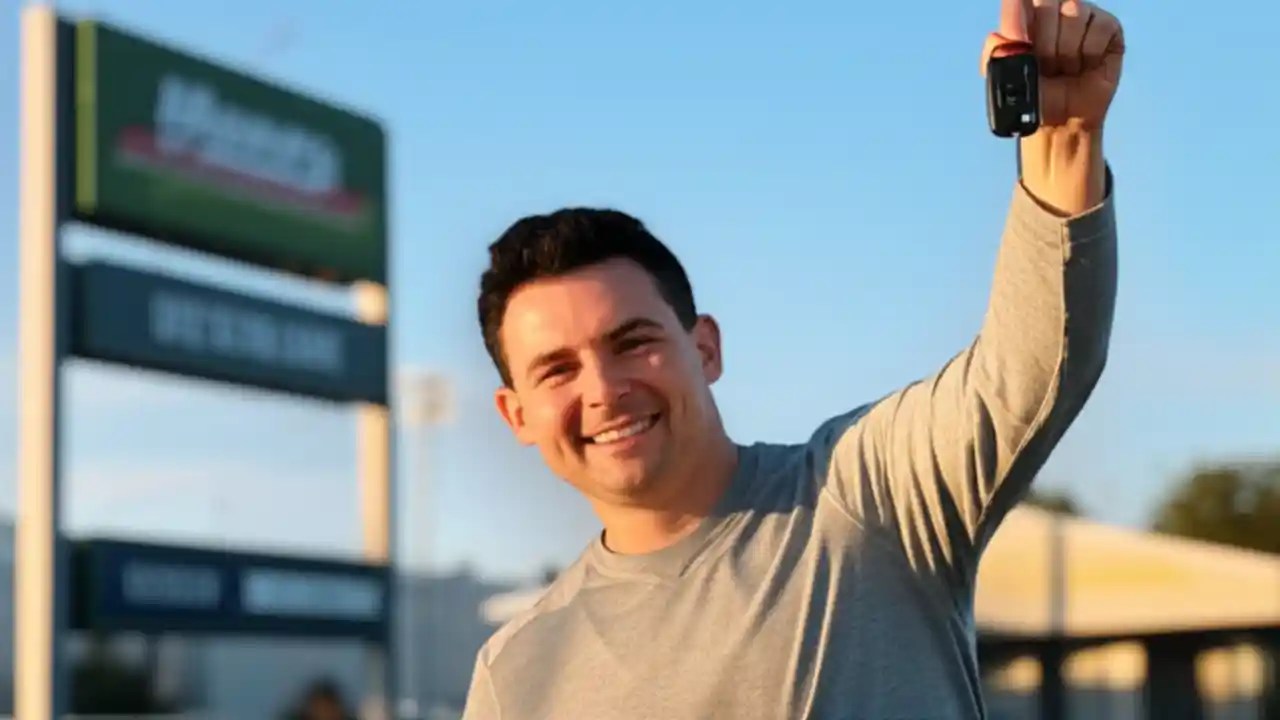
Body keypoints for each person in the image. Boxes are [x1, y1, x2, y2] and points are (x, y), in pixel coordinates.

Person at [463, 0, 1122, 716]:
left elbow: (1025, 371)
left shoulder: (863, 497)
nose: (605, 389)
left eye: (634, 342)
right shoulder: (517, 671)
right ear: (516, 413)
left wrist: (1064, 143)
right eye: (557, 369)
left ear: (705, 346)